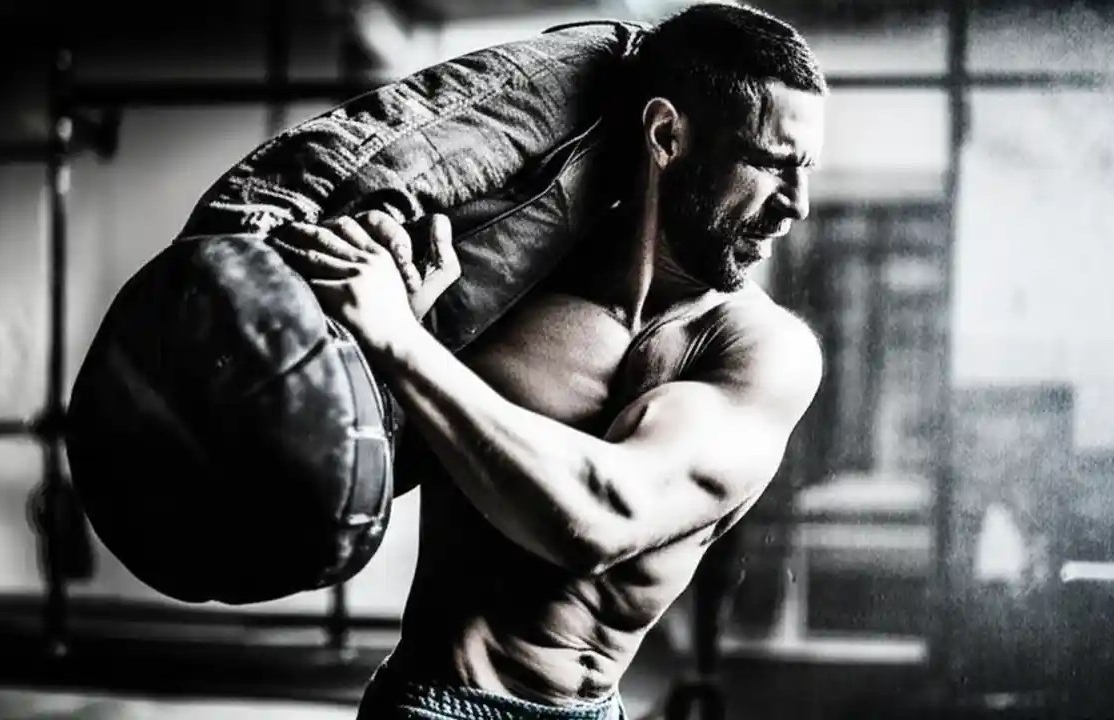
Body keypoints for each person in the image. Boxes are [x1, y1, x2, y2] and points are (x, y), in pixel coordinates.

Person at [274, 3, 827, 718]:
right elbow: (383, 451)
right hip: (429, 703)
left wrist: (400, 342)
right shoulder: (500, 288)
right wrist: (405, 325)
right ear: (667, 135)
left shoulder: (763, 352)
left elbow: (599, 519)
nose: (799, 204)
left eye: (806, 168)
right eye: (770, 162)